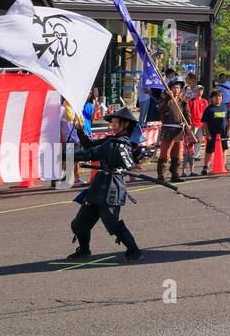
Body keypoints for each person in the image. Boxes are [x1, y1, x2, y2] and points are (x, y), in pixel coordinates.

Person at [66, 106, 143, 262]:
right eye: (112, 122)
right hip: (100, 183)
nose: (112, 125)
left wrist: (64, 155)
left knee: (112, 224)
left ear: (125, 124)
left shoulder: (120, 145)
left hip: (113, 186)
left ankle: (134, 251)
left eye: (115, 122)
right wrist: (80, 130)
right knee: (79, 224)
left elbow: (90, 153)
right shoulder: (111, 140)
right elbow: (90, 145)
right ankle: (84, 250)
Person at [156, 77, 191, 183]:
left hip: (179, 131)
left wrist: (188, 124)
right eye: (174, 88)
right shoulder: (165, 100)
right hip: (168, 130)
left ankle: (175, 174)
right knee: (165, 154)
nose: (176, 90)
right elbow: (161, 109)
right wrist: (167, 98)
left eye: (178, 88)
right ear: (170, 89)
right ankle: (161, 176)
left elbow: (187, 115)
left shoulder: (183, 102)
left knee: (177, 155)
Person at [199, 88, 230, 173]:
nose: (218, 98)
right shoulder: (209, 109)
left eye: (220, 96)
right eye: (216, 97)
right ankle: (205, 167)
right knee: (209, 151)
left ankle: (223, 164)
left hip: (223, 133)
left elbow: (229, 119)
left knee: (224, 149)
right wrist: (207, 133)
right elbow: (205, 122)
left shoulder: (225, 107)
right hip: (212, 134)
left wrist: (229, 130)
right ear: (211, 98)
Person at [183, 84, 208, 177]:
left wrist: (205, 125)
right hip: (193, 124)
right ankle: (187, 159)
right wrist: (189, 124)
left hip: (201, 124)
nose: (200, 92)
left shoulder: (204, 101)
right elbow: (187, 112)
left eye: (201, 90)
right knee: (190, 143)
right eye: (198, 90)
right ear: (195, 91)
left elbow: (206, 113)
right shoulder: (191, 101)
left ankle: (195, 156)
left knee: (199, 140)